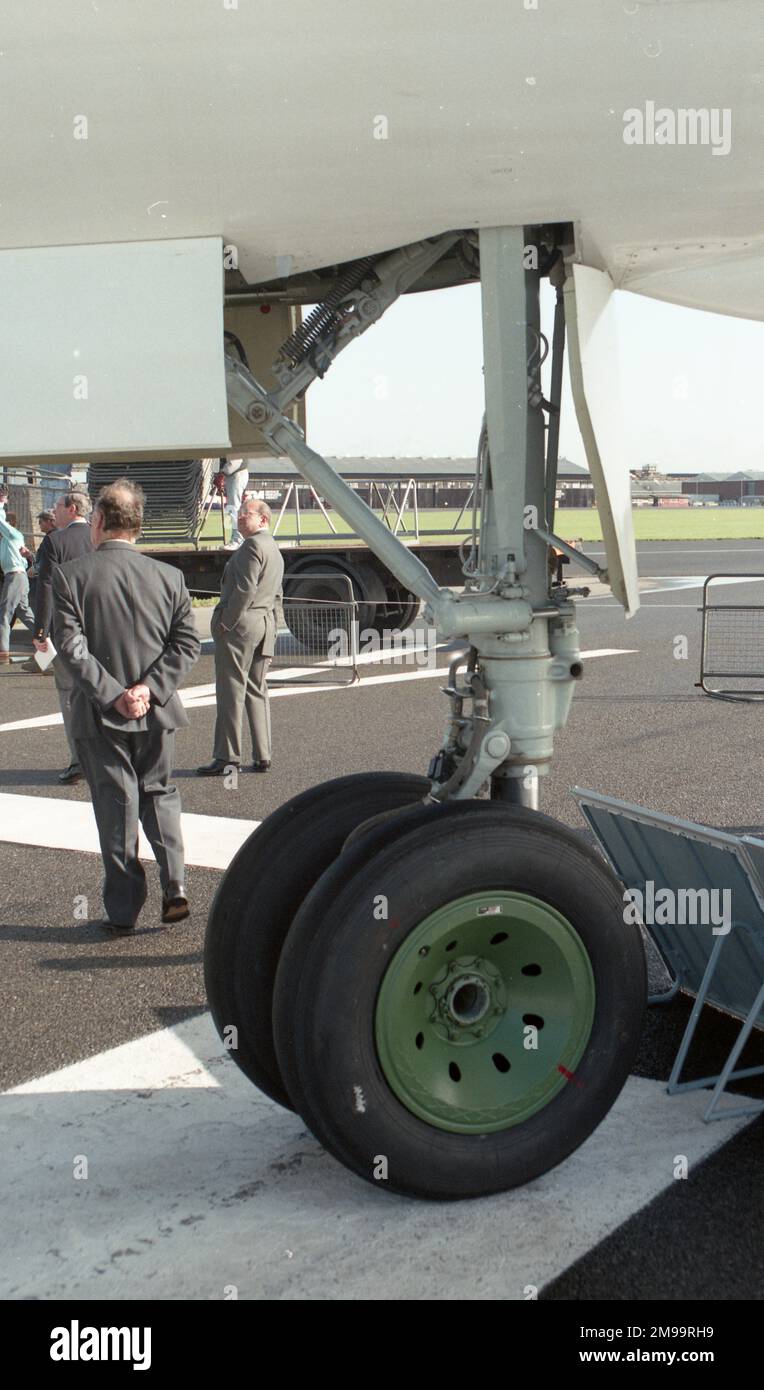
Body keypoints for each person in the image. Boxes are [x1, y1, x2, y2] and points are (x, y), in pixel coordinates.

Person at [51, 479, 200, 934]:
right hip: (157, 711)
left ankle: (124, 909)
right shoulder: (170, 577)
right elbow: (187, 643)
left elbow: (71, 647)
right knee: (160, 794)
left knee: (116, 804)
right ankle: (174, 884)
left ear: (97, 520)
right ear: (138, 524)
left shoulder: (71, 576)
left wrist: (114, 692)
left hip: (101, 715)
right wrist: (149, 689)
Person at [197, 497, 284, 776]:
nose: (241, 517)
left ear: (263, 519)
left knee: (230, 690)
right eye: (241, 513)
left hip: (242, 626)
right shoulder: (273, 547)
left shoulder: (251, 547)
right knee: (257, 689)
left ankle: (227, 756)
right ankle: (263, 754)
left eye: (247, 513)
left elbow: (244, 590)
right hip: (264, 623)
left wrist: (226, 623)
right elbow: (276, 593)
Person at [33, 492, 94, 779]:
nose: (53, 512)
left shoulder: (55, 541)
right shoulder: (98, 537)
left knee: (69, 693)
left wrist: (41, 629)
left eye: (57, 507)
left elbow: (45, 586)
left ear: (71, 509)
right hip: (101, 626)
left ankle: (79, 760)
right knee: (102, 691)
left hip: (66, 628)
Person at [0, 509, 36, 663]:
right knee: (24, 613)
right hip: (18, 577)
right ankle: (46, 638)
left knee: (4, 614)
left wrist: (1, 503)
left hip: (15, 577)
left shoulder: (12, 535)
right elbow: (23, 561)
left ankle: (3, 653)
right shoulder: (6, 542)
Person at [214, 457, 250, 548]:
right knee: (233, 508)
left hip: (236, 473)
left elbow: (236, 459)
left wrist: (222, 473)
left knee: (234, 508)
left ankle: (238, 540)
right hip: (234, 473)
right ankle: (238, 539)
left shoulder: (235, 443)